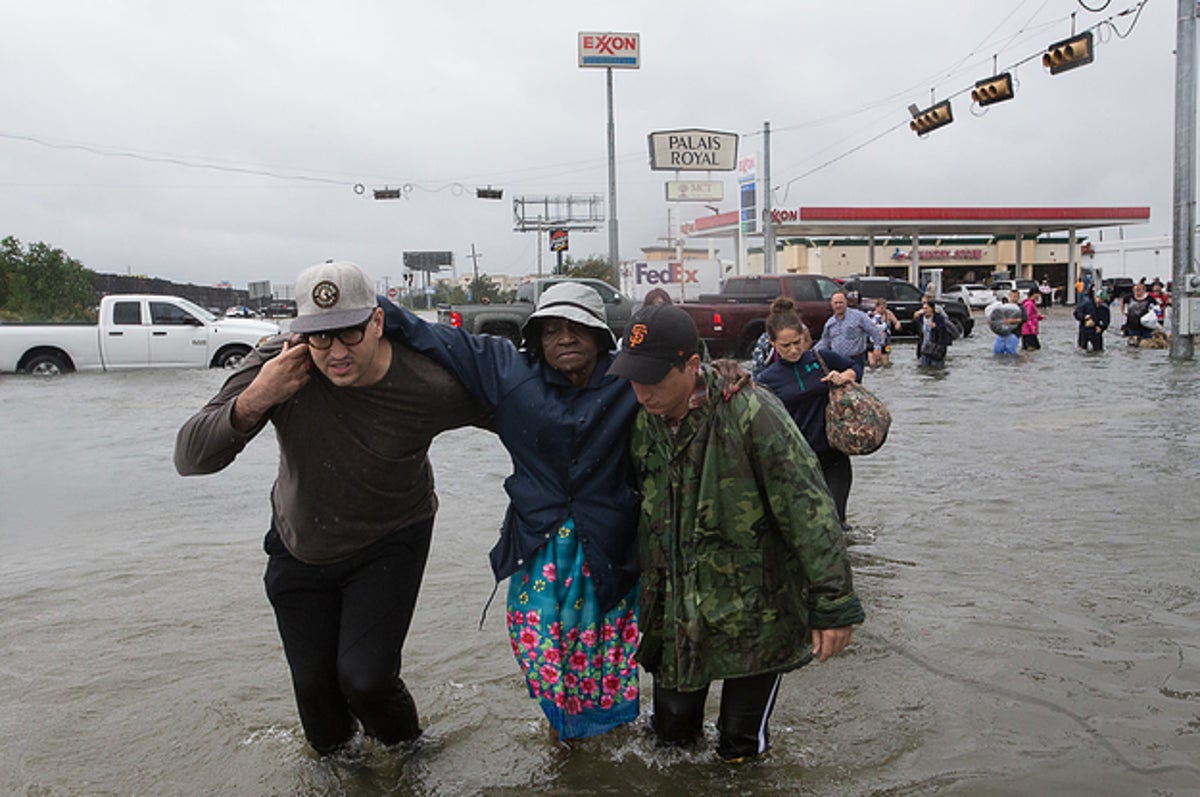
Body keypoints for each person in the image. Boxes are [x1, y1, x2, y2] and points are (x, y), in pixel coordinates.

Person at [382, 284, 748, 741]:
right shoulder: (506, 370)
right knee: (543, 653)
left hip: (610, 549)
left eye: (578, 328)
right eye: (552, 330)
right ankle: (569, 740)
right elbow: (434, 337)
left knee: (605, 658)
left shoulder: (626, 380)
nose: (565, 338)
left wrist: (722, 373)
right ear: (536, 339)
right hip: (538, 545)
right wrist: (365, 309)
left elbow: (678, 377)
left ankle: (605, 747)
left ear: (600, 336)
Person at [174, 260, 490, 756]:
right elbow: (190, 457)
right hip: (300, 544)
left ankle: (415, 762)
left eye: (350, 334)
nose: (337, 353)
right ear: (301, 334)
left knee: (365, 680)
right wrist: (259, 397)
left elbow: (515, 411)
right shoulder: (277, 366)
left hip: (390, 539)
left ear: (378, 323)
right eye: (320, 338)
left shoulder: (427, 382)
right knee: (318, 705)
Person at [607, 303, 864, 762]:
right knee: (670, 737)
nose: (640, 393)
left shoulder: (752, 411)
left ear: (690, 366)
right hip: (678, 607)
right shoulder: (641, 420)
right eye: (632, 378)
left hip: (756, 610)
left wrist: (833, 603)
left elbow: (808, 507)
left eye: (652, 379)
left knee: (740, 748)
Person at [756, 297, 858, 524]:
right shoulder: (767, 379)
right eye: (786, 345)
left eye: (797, 342)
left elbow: (855, 367)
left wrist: (844, 377)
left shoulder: (821, 359)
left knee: (835, 520)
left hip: (833, 457)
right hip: (796, 462)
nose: (794, 350)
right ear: (772, 343)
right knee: (807, 524)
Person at [814, 290, 884, 380]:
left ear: (846, 302)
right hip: (837, 361)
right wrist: (812, 353)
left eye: (841, 302)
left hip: (855, 359)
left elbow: (874, 331)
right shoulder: (830, 323)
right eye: (836, 303)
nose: (838, 305)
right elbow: (825, 342)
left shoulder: (859, 316)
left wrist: (877, 347)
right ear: (831, 304)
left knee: (854, 387)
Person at [916, 297, 955, 367]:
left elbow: (943, 333)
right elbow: (919, 334)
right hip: (924, 350)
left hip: (936, 350)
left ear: (931, 309)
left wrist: (936, 327)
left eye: (926, 308)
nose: (925, 311)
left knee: (937, 371)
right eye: (923, 309)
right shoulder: (921, 318)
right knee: (925, 371)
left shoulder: (939, 318)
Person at [866, 297, 901, 368]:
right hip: (872, 341)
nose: (883, 310)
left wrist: (897, 325)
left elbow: (896, 322)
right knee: (872, 363)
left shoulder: (888, 313)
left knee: (885, 363)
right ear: (877, 307)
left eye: (885, 307)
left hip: (885, 341)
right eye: (882, 308)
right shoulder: (871, 315)